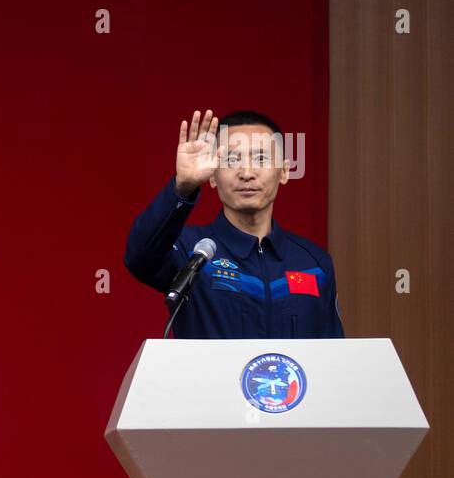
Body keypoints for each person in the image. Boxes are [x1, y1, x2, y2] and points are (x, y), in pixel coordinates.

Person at [125, 108, 343, 338]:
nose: (246, 173)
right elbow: (139, 257)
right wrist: (183, 186)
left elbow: (333, 357)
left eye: (261, 159)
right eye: (231, 160)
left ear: (284, 171)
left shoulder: (313, 263)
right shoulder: (192, 251)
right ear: (212, 174)